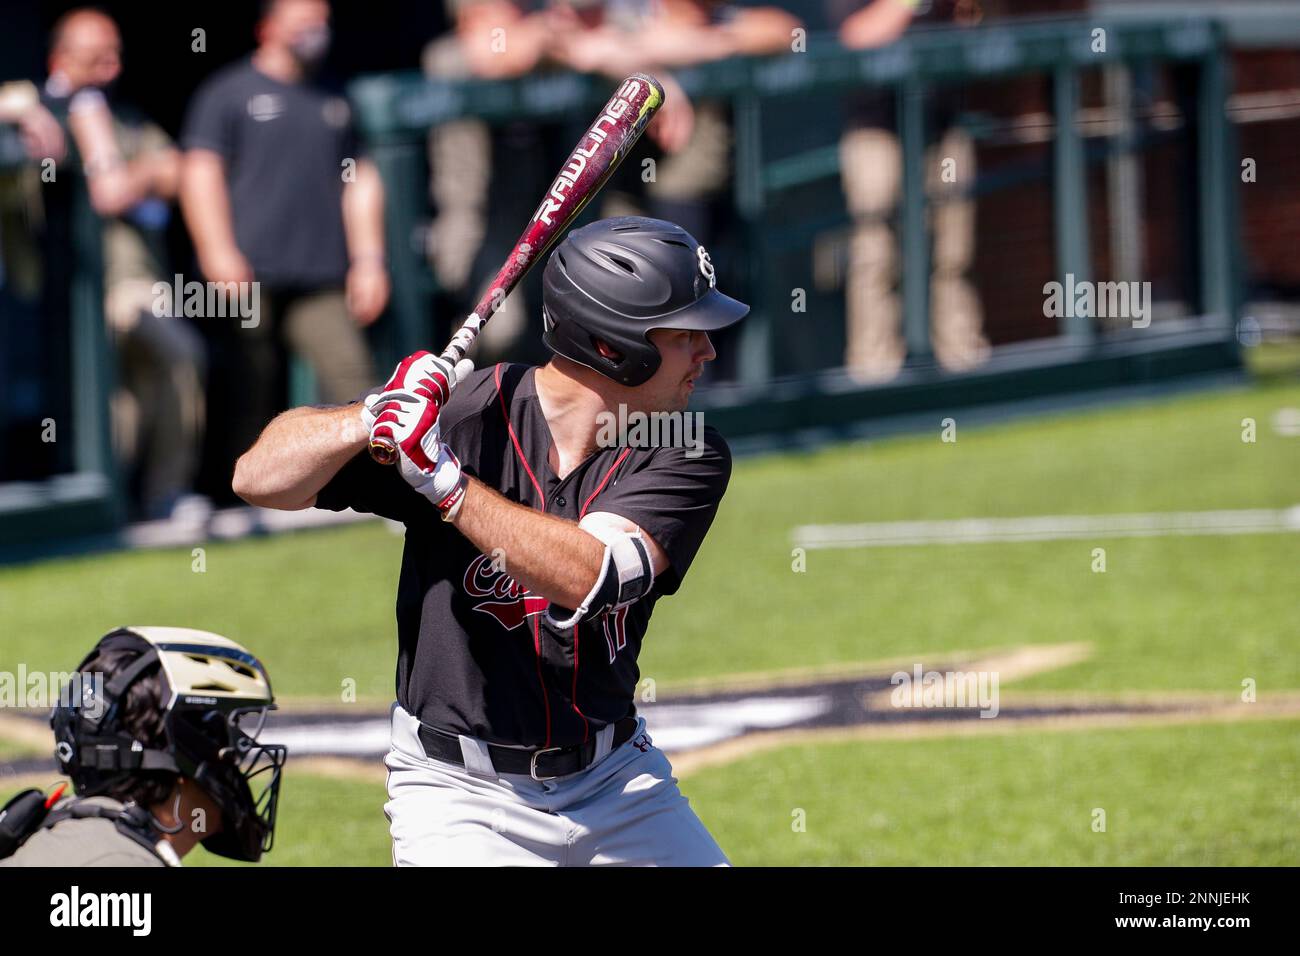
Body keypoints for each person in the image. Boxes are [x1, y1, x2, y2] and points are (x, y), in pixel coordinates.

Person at [233, 217, 744, 865]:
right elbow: (257, 478)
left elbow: (589, 574)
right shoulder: (466, 413)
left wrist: (447, 486)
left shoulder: (685, 448)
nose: (709, 351)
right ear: (617, 347)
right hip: (460, 795)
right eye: (686, 334)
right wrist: (367, 416)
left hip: (616, 783)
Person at [180, 0, 388, 484]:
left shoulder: (335, 96)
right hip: (246, 274)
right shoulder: (227, 92)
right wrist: (217, 250)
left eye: (321, 22)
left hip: (320, 275)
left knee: (353, 381)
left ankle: (378, 489)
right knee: (246, 384)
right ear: (267, 27)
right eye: (303, 21)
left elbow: (360, 180)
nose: (315, 31)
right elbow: (199, 172)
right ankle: (232, 493)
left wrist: (369, 260)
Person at [44, 8, 206, 520]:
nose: (111, 67)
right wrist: (136, 176)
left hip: (139, 280)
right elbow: (108, 190)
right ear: (61, 59)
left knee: (147, 389)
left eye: (115, 55)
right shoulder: (44, 110)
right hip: (75, 289)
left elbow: (176, 169)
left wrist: (136, 176)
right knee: (171, 361)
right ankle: (120, 502)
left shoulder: (124, 116)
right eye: (96, 57)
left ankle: (154, 498)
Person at [0, 626, 285, 867]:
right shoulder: (122, 865)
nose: (234, 761)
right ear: (189, 751)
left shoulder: (56, 832)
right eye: (226, 742)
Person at [834, 0, 990, 380]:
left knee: (954, 252)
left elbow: (972, 32)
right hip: (877, 129)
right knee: (876, 256)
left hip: (943, 123)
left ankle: (963, 361)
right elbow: (855, 36)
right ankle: (874, 374)